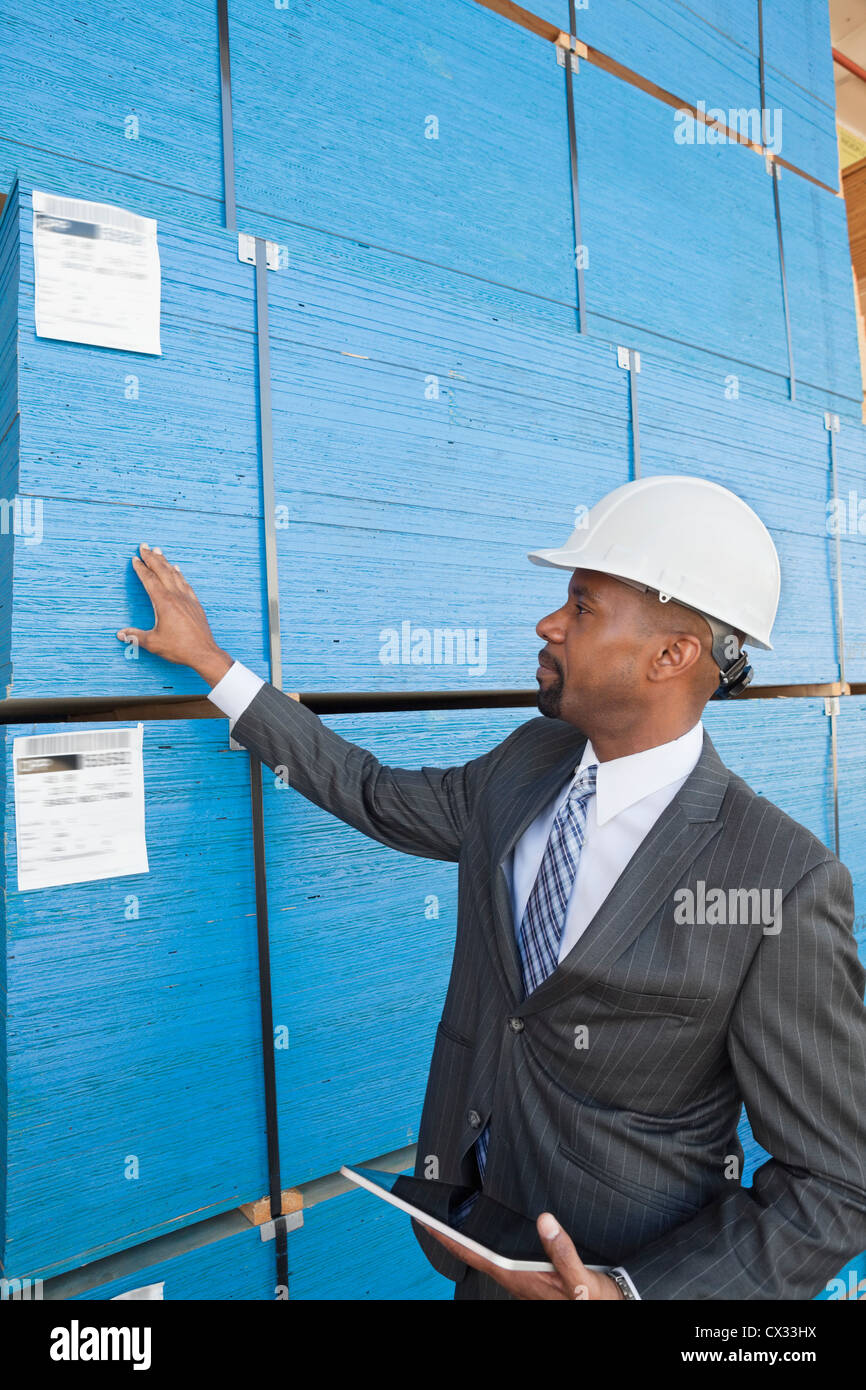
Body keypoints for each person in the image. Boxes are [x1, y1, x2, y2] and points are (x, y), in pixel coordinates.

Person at [116, 475, 866, 1301]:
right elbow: (372, 793)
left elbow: (835, 1181)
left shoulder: (780, 880)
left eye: (582, 607)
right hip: (479, 1247)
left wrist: (630, 1294)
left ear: (671, 655)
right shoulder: (528, 765)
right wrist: (213, 666)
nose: (548, 625)